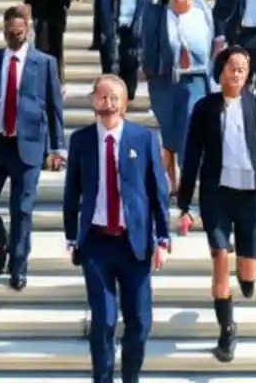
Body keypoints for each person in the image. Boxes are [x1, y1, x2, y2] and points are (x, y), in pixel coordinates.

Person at [177, 45, 256, 363]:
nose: (237, 73)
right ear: (221, 70)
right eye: (232, 67)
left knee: (247, 280)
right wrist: (184, 205)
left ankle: (245, 274)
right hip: (216, 195)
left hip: (250, 195)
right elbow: (192, 155)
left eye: (243, 68)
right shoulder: (205, 107)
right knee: (220, 259)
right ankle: (226, 330)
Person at [63, 74, 171, 383]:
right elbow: (72, 193)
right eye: (102, 96)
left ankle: (131, 376)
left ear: (125, 103)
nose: (108, 102)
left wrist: (162, 237)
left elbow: (157, 191)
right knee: (104, 319)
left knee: (139, 322)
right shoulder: (81, 140)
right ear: (93, 101)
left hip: (134, 242)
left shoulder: (144, 138)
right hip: (97, 243)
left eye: (114, 97)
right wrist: (72, 235)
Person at [0, 4, 65, 291]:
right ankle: (3, 242)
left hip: (29, 145)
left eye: (19, 31)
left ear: (29, 30)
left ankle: (19, 266)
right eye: (10, 31)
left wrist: (58, 148)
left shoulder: (44, 63)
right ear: (4, 31)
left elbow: (54, 108)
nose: (15, 36)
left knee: (22, 209)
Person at [140, 0, 215, 194]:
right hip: (165, 82)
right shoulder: (157, 13)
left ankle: (190, 179)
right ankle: (173, 182)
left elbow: (213, 40)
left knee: (188, 131)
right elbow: (147, 44)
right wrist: (152, 73)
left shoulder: (202, 9)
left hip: (196, 82)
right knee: (170, 133)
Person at [111, 0, 155, 102]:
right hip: (118, 34)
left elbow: (146, 19)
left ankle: (127, 93)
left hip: (133, 37)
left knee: (129, 60)